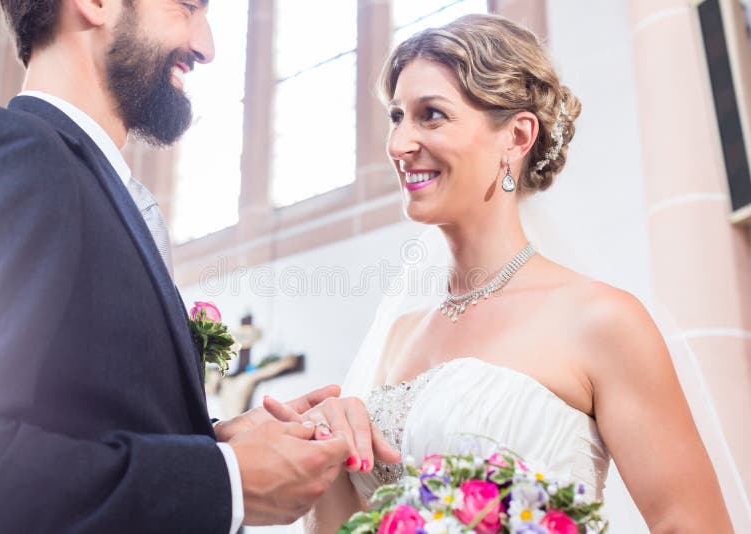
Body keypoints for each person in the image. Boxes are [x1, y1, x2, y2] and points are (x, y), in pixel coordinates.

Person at [274, 13, 732, 533]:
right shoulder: (398, 334)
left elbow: (693, 524)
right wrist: (328, 453)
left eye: (431, 116)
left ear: (516, 135)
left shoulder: (602, 320)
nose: (399, 144)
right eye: (397, 117)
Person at [0, 0, 398, 532]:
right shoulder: (16, 150)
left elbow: (79, 419)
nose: (206, 47)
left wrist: (214, 440)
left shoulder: (98, 188)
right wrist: (226, 480)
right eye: (187, 7)